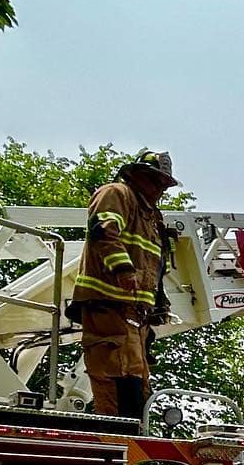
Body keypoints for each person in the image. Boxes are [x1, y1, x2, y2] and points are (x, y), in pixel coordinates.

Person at [69, 148, 177, 421]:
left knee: (136, 381)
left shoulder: (151, 217)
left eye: (164, 184)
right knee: (117, 376)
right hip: (109, 302)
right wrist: (123, 270)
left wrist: (155, 304)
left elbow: (155, 264)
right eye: (155, 180)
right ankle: (117, 442)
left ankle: (129, 440)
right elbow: (103, 231)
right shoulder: (117, 194)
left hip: (133, 313)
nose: (160, 189)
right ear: (136, 174)